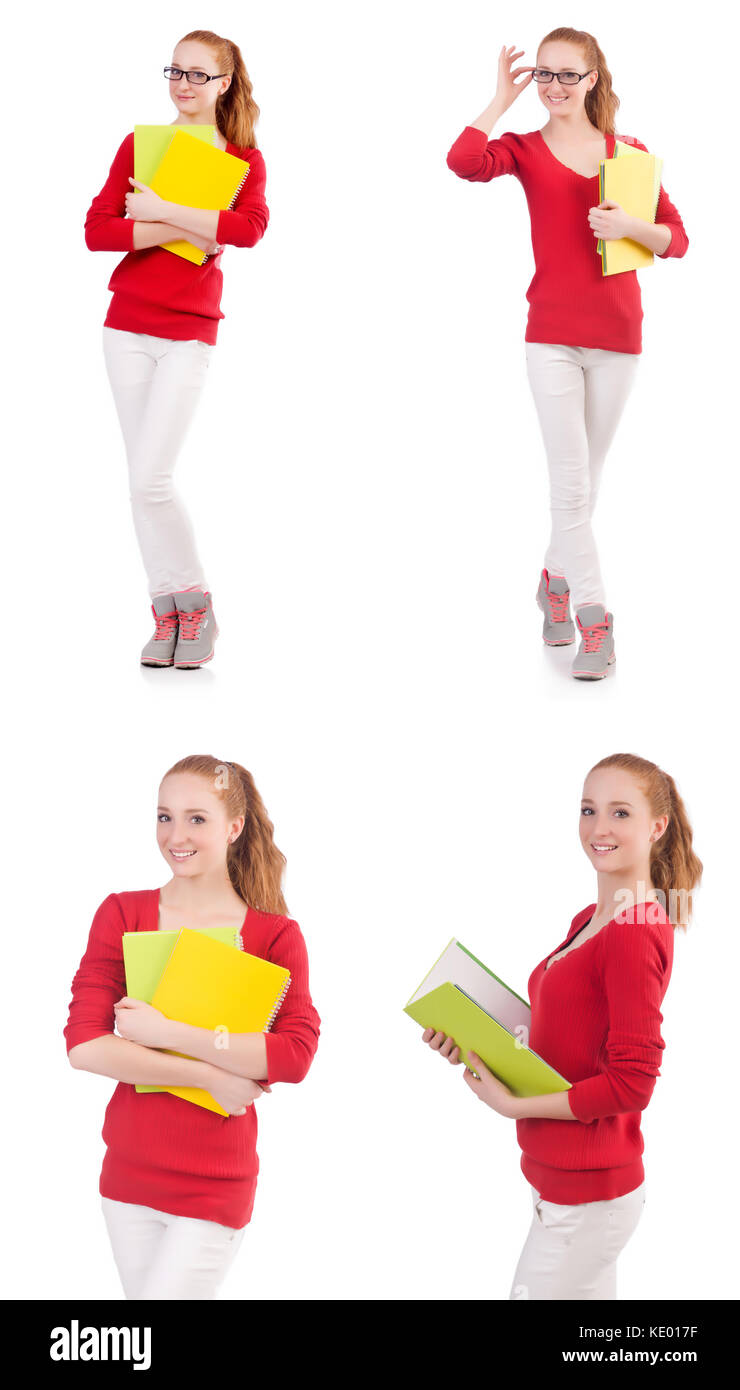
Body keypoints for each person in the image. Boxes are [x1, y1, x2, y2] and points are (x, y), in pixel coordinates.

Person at [446, 29, 688, 679]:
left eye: (566, 75)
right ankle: (594, 619)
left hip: (617, 339)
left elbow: (678, 241)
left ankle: (552, 579)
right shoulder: (522, 149)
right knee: (570, 485)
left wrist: (629, 226)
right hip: (550, 337)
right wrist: (498, 100)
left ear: (591, 79)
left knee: (584, 485)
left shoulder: (627, 155)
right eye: (543, 75)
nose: (553, 86)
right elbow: (463, 161)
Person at [422, 753, 702, 1299]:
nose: (599, 829)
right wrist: (476, 1044)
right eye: (588, 809)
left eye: (621, 813)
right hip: (562, 1186)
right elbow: (570, 1040)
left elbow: (632, 1082)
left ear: (657, 826)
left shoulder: (632, 930)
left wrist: (513, 1105)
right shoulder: (592, 918)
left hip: (589, 1199)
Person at [64, 756, 320, 1300]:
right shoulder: (122, 913)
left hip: (213, 1185)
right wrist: (211, 1076)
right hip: (127, 1178)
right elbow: (86, 1046)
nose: (175, 835)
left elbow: (293, 1055)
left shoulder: (275, 936)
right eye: (164, 817)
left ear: (234, 827)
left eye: (196, 819)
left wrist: (168, 1032)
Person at [85, 31, 269, 668]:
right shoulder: (141, 145)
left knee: (151, 478)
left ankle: (195, 601)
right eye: (175, 72)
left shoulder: (243, 156)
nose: (184, 85)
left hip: (189, 329)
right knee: (142, 484)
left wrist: (158, 211)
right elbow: (97, 230)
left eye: (198, 75)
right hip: (125, 326)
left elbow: (248, 229)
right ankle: (166, 610)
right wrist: (186, 220)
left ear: (223, 83)